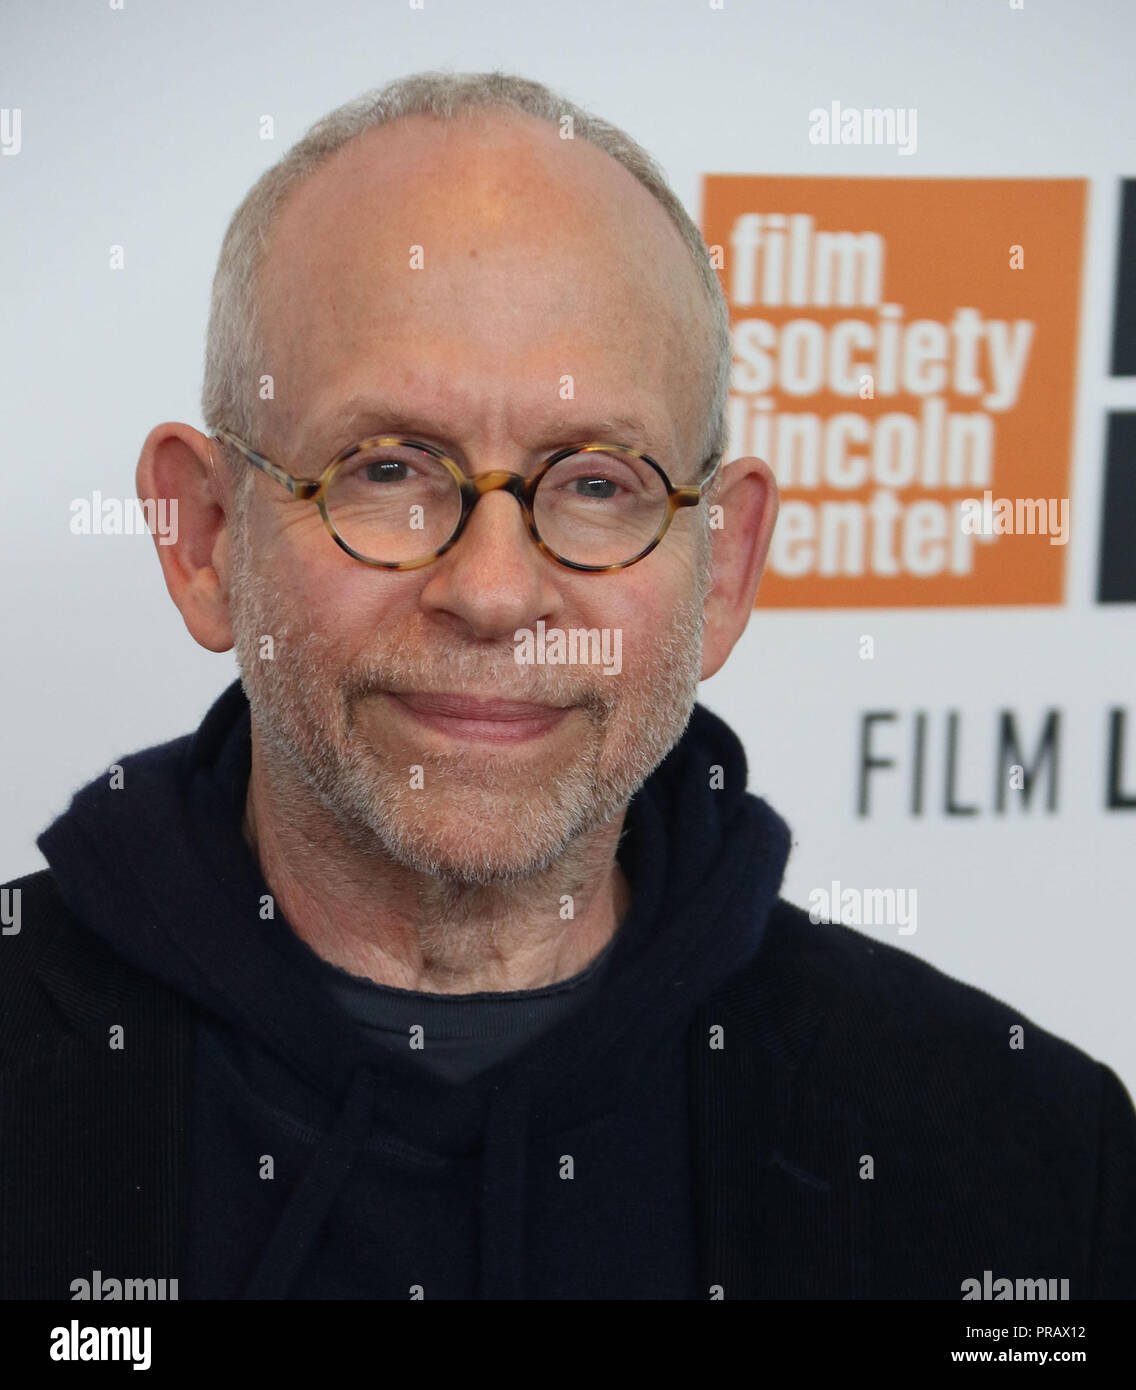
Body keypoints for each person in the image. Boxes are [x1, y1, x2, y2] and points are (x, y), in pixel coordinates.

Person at [2, 70, 1133, 1302]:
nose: (492, 594)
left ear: (724, 569)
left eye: (596, 484)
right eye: (388, 468)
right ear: (207, 533)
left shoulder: (1024, 1155)